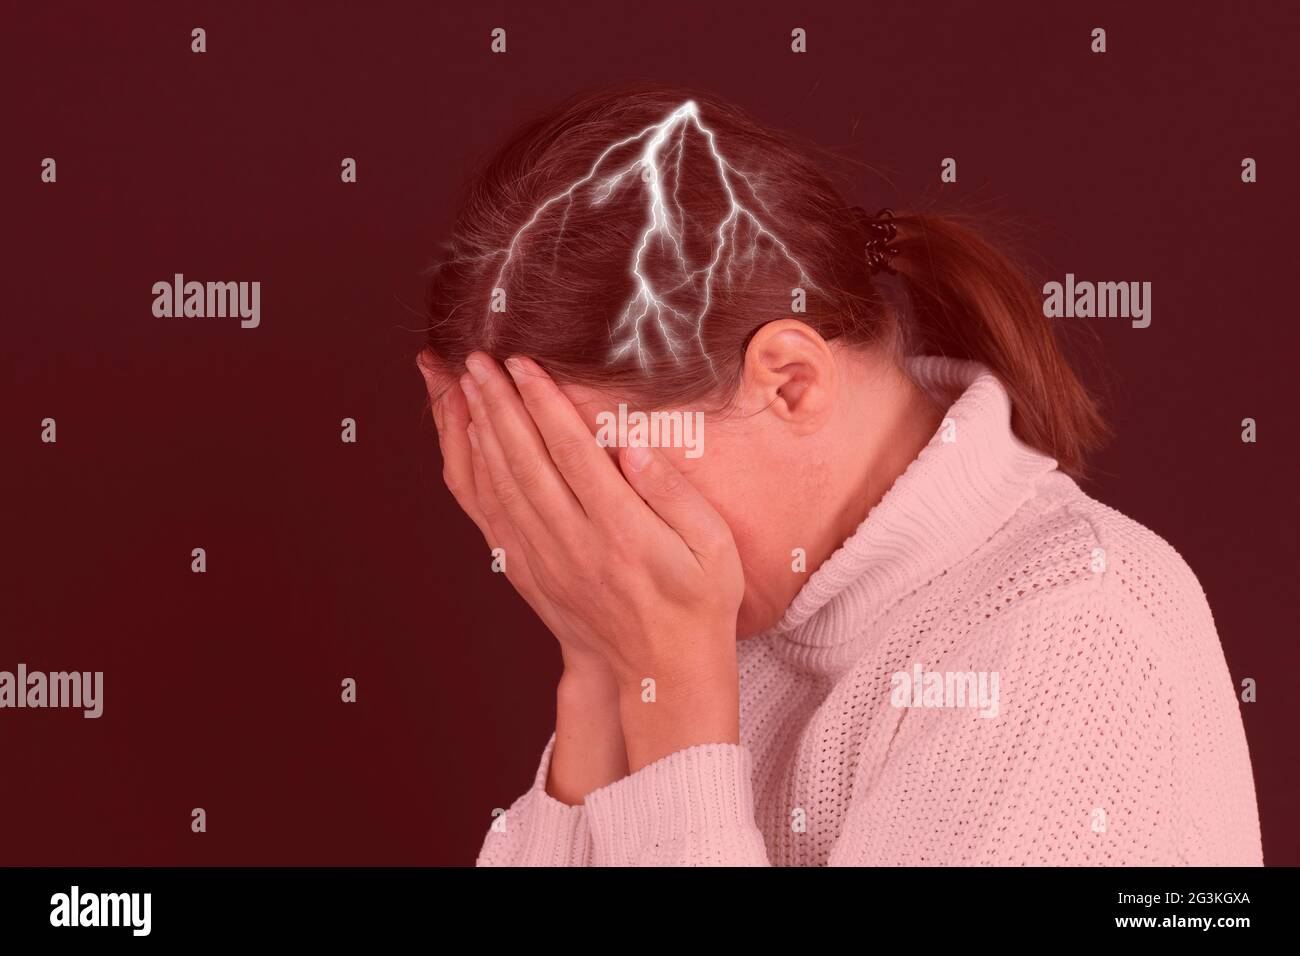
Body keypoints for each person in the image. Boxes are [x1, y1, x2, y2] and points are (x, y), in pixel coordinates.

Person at [416, 87, 1262, 865]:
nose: (588, 544)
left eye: (593, 477)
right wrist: (600, 671)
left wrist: (673, 698)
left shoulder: (1071, 639)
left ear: (791, 381)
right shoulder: (706, 629)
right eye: (537, 489)